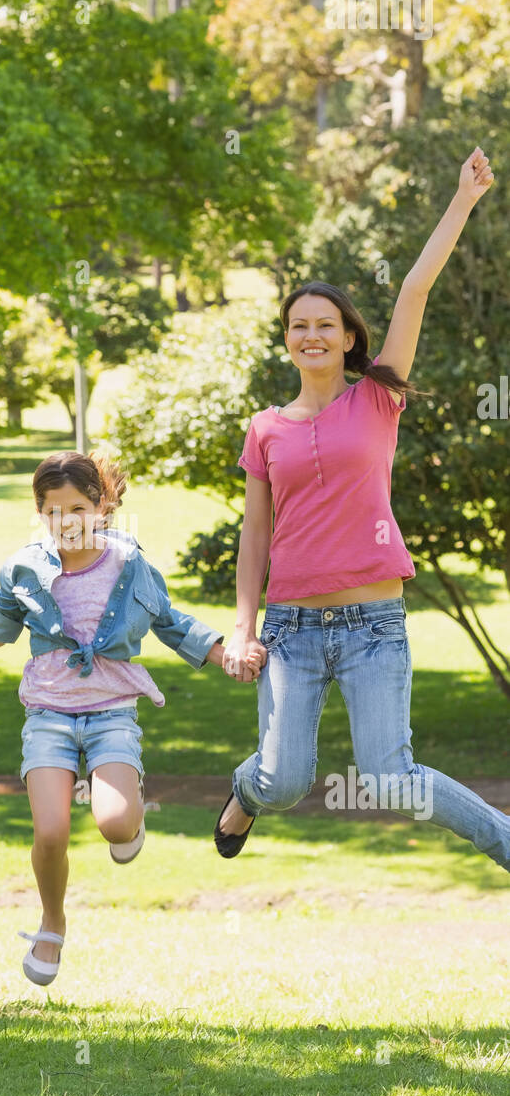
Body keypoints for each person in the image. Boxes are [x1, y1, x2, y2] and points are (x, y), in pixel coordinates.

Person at [214, 146, 510, 874]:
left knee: (390, 780)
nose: (310, 335)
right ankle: (244, 794)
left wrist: (461, 202)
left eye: (324, 324)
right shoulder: (264, 428)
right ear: (286, 341)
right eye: (296, 327)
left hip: (374, 623)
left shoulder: (377, 399)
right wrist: (242, 629)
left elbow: (411, 290)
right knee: (280, 783)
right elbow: (257, 535)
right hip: (290, 631)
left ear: (347, 337)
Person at [0, 449, 231, 985]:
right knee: (50, 831)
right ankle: (52, 923)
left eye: (77, 508)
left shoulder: (129, 563)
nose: (65, 522)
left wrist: (222, 652)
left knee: (116, 822)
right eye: (52, 511)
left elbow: (170, 622)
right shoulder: (25, 568)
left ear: (101, 505)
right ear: (40, 513)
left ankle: (127, 816)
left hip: (111, 714)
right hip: (48, 714)